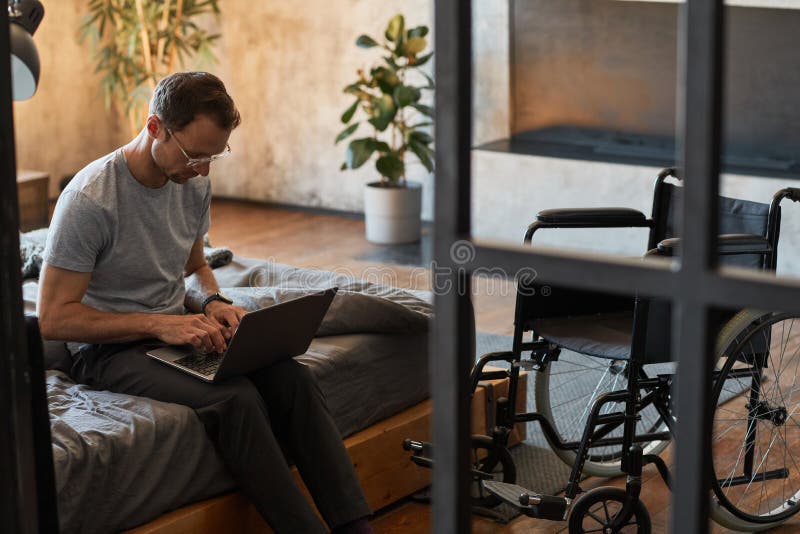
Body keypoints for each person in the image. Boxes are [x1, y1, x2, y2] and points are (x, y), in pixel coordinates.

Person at [37, 71, 373, 534]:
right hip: (106, 351)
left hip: (175, 328)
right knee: (235, 400)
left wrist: (212, 300)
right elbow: (54, 319)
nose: (204, 170)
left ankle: (356, 526)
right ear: (155, 127)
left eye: (215, 156)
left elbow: (195, 264)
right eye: (195, 155)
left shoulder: (192, 183)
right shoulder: (91, 200)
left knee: (290, 378)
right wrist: (159, 324)